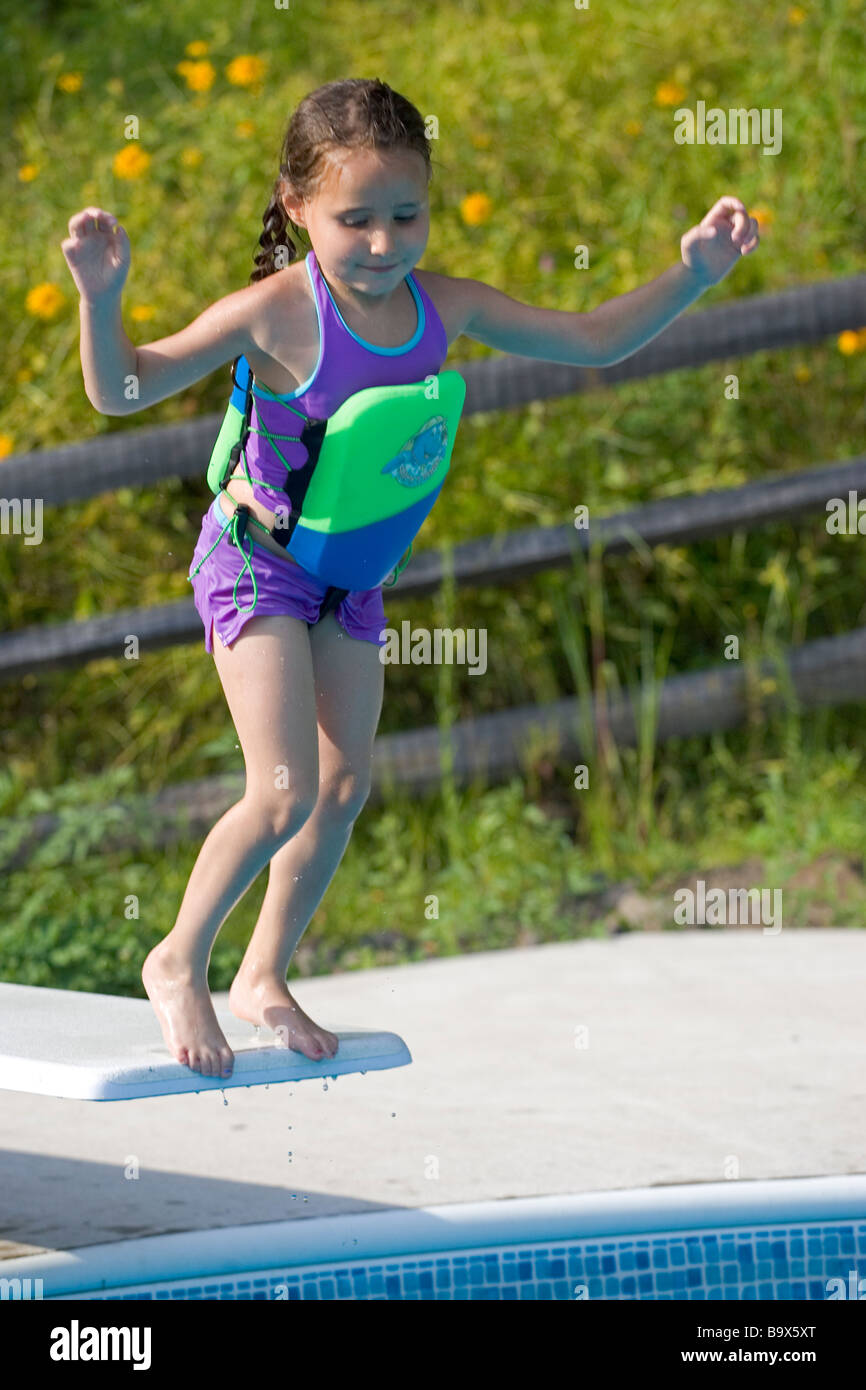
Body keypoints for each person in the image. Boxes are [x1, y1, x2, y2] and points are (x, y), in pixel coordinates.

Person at [61, 78, 759, 1081]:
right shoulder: (271, 313)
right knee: (282, 787)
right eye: (355, 221)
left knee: (341, 786)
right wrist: (102, 298)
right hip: (257, 563)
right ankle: (177, 959)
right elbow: (124, 388)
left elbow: (593, 338)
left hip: (349, 583)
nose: (384, 245)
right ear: (296, 208)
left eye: (406, 216)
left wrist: (691, 274)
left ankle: (264, 973)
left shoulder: (448, 307)